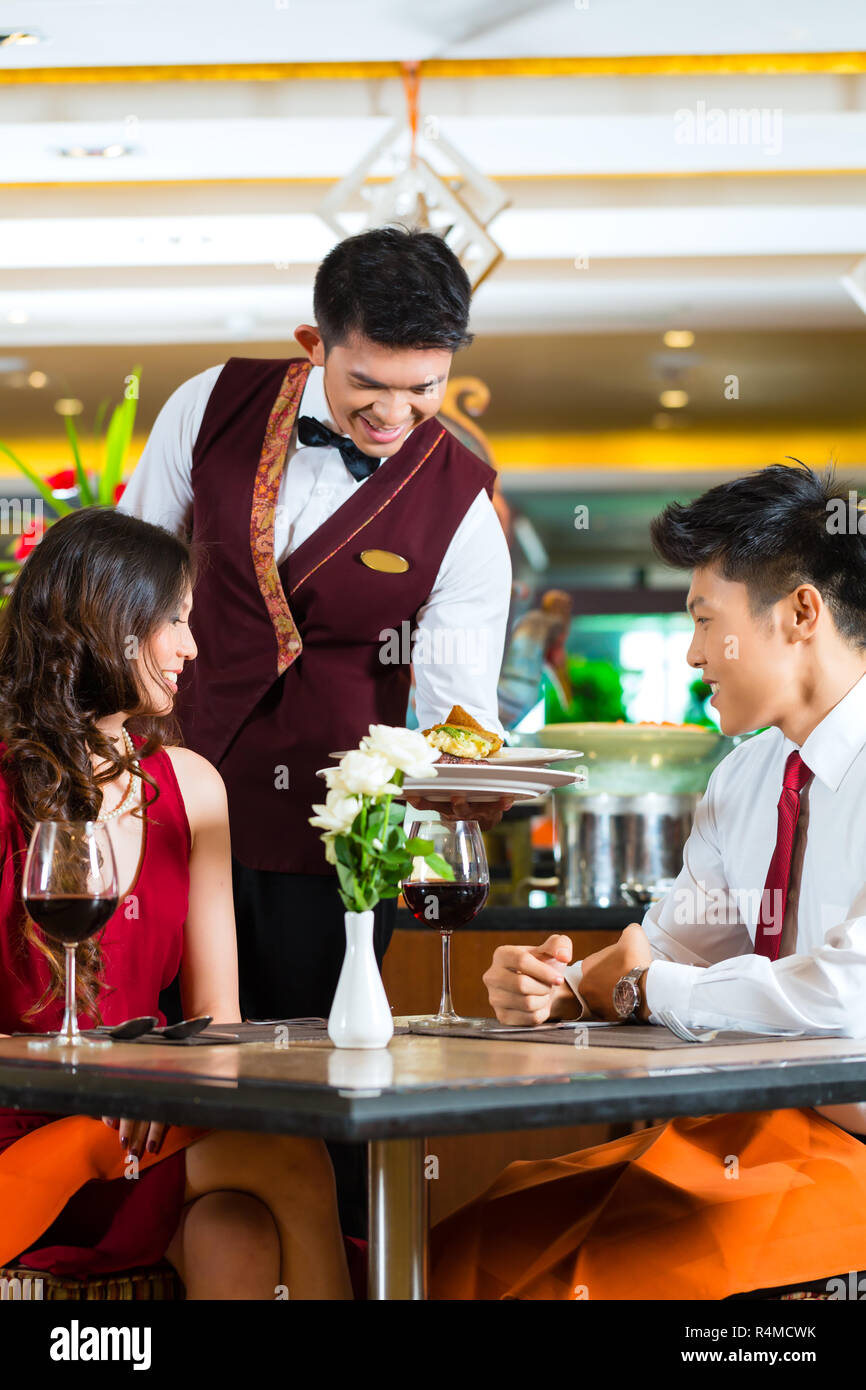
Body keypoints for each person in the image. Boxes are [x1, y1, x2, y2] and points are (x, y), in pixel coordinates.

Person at [119, 225, 513, 1234]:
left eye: (423, 388)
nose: (394, 414)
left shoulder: (463, 507)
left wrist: (462, 811)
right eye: (368, 386)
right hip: (166, 815)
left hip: (332, 852)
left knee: (313, 1104)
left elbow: (454, 713)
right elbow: (123, 582)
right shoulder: (206, 404)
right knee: (162, 1090)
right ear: (314, 343)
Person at [431, 462, 866, 1301]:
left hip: (850, 1148)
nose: (697, 652)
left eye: (707, 620)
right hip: (748, 1130)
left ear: (802, 612)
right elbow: (658, 951)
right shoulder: (744, 780)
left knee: (584, 1284)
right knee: (469, 1244)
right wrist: (561, 985)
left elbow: (846, 1002)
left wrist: (643, 985)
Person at [0, 508, 352, 1300]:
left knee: (239, 1230)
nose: (191, 646)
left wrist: (152, 1083)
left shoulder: (192, 786)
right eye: (174, 620)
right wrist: (92, 1104)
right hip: (22, 1137)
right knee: (291, 1161)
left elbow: (217, 1018)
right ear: (107, 621)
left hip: (149, 1123)